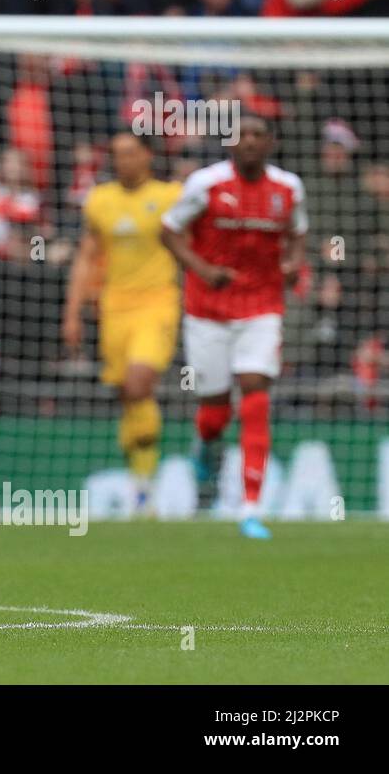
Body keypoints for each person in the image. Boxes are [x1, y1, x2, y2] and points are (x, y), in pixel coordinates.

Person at [160, 115, 307, 539]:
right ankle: (206, 446)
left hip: (262, 307)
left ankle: (251, 508)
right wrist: (203, 269)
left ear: (272, 143)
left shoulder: (288, 188)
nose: (250, 143)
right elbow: (168, 231)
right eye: (242, 135)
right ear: (229, 144)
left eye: (259, 135)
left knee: (256, 389)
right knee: (215, 412)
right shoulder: (205, 184)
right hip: (208, 311)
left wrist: (294, 262)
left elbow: (299, 233)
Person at [63, 132, 182, 511]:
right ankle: (141, 481)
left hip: (158, 303)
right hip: (114, 308)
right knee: (128, 397)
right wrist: (72, 313)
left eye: (130, 153)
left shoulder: (171, 197)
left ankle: (144, 483)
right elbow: (86, 256)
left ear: (147, 155)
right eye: (116, 154)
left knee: (138, 383)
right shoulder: (100, 201)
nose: (123, 160)